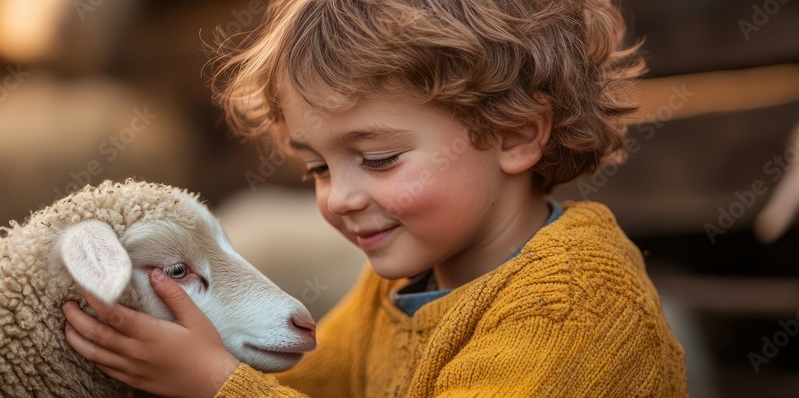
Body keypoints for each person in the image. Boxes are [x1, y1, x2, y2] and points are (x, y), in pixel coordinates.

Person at [62, 0, 689, 396]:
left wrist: (214, 384)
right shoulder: (399, 286)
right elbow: (312, 382)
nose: (338, 199)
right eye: (317, 168)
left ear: (516, 134)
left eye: (379, 159)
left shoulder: (572, 309)